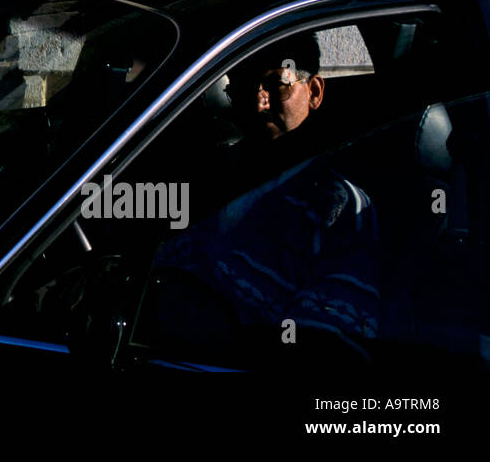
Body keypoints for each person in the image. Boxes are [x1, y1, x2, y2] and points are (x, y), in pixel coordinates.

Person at [145, 34, 382, 365]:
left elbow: (326, 346)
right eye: (244, 85)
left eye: (277, 85)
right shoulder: (209, 174)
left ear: (313, 92)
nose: (260, 103)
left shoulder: (337, 207)